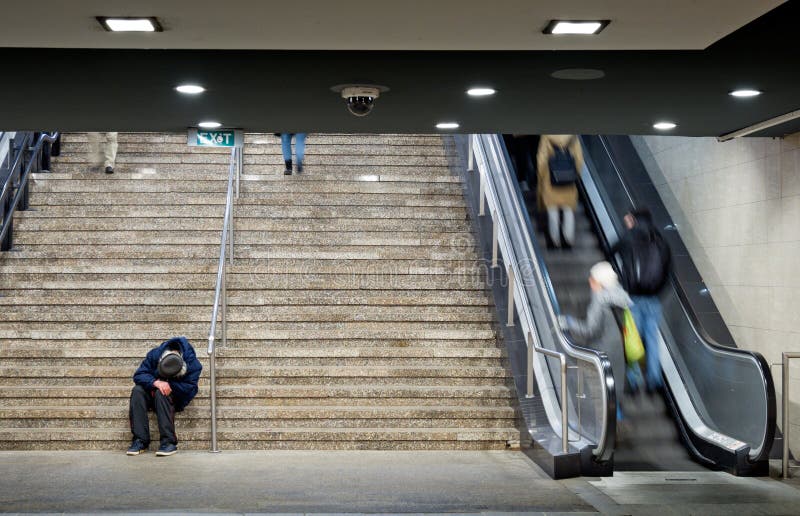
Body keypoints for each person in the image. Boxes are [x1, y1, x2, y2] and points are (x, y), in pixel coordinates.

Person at [609, 209, 672, 393]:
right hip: (653, 298)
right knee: (652, 338)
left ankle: (634, 381)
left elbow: (610, 251)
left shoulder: (629, 238)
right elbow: (669, 272)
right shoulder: (660, 241)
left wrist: (620, 278)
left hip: (633, 296)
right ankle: (654, 381)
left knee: (632, 339)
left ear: (636, 220)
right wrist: (658, 291)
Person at [560, 261, 632, 420]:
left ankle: (605, 432)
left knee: (601, 393)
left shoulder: (600, 299)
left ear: (600, 281)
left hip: (600, 351)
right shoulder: (621, 295)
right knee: (614, 391)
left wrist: (568, 322)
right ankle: (617, 425)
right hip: (618, 350)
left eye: (592, 279)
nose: (590, 282)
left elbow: (589, 329)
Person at [127, 336, 202, 456]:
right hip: (153, 392)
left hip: (176, 398)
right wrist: (156, 382)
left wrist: (170, 386)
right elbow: (139, 375)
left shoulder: (193, 364)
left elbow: (190, 389)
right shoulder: (155, 355)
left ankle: (168, 442)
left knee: (161, 393)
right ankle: (140, 440)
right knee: (137, 390)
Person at [536, 135, 583, 248]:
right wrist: (573, 174)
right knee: (568, 210)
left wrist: (541, 177)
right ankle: (568, 239)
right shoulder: (573, 137)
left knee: (552, 209)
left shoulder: (547, 136)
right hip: (568, 180)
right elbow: (579, 159)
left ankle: (555, 241)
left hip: (550, 179)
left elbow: (541, 160)